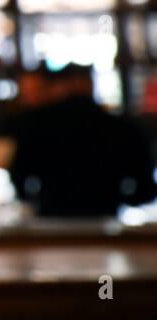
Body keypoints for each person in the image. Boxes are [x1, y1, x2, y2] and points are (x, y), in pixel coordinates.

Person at [8, 64, 156, 218]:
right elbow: (144, 189)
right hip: (105, 221)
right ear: (90, 84)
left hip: (51, 220)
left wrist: (33, 199)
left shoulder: (36, 125)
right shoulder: (121, 127)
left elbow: (19, 175)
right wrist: (120, 198)